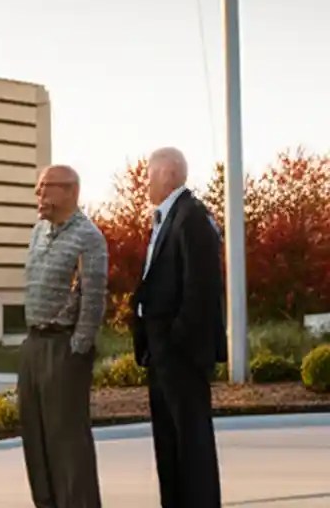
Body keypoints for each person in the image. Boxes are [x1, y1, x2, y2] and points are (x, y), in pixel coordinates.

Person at [132, 148, 225, 508]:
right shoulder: (166, 218)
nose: (146, 183)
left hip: (180, 353)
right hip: (162, 351)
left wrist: (177, 341)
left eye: (149, 175)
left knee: (191, 446)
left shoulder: (191, 217)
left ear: (167, 174)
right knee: (169, 445)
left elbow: (201, 288)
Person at [19, 165, 108, 508]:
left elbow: (93, 296)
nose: (38, 196)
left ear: (70, 191)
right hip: (34, 344)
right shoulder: (39, 230)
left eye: (45, 188)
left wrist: (78, 348)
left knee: (68, 445)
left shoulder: (88, 236)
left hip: (64, 347)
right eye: (38, 188)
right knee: (36, 441)